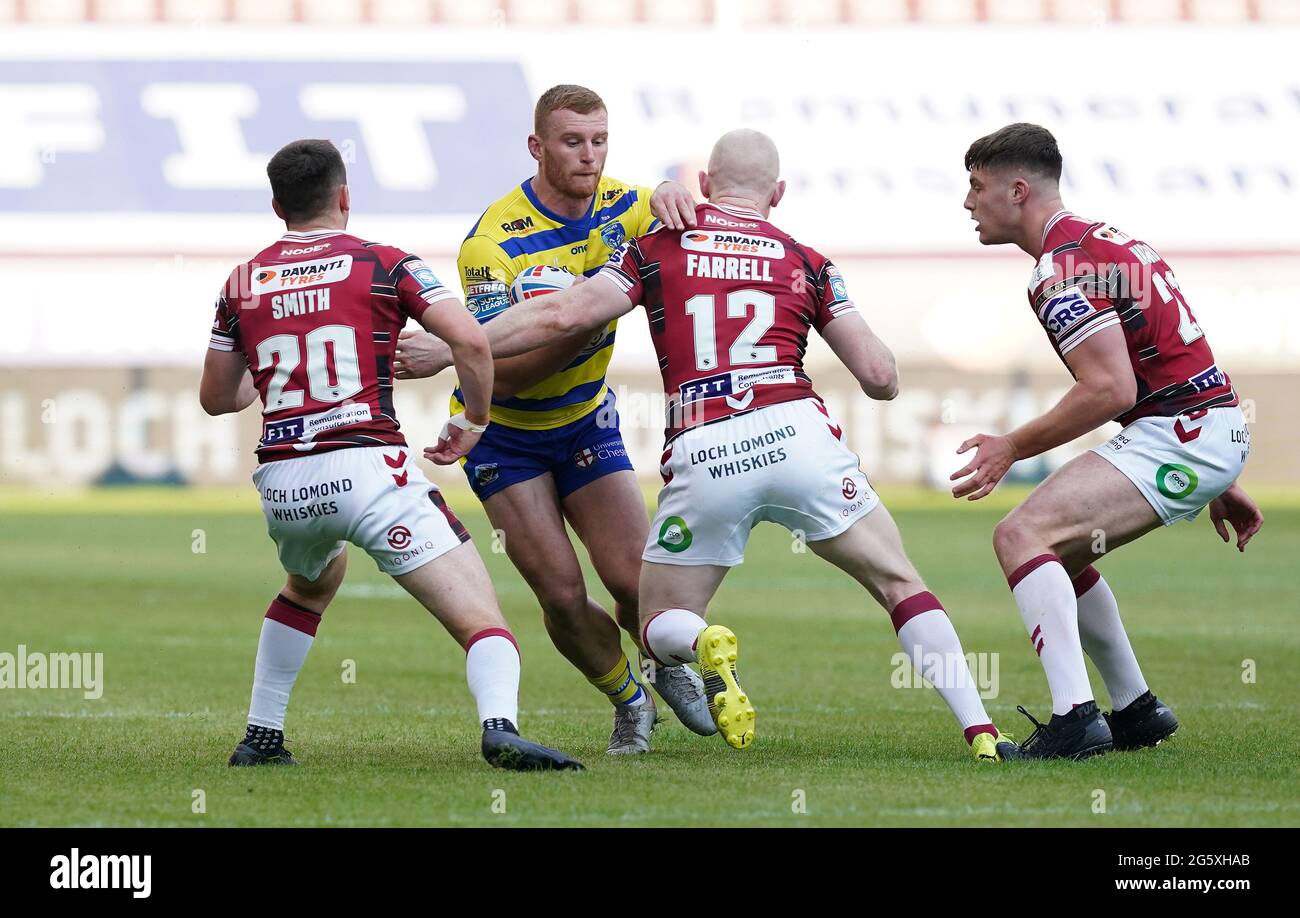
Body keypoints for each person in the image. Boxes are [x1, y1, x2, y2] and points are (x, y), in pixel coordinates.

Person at [457, 129, 1016, 761]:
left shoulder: (655, 248)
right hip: (798, 433)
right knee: (899, 582)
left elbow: (563, 315)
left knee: (656, 621)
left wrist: (459, 344)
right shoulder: (805, 259)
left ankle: (701, 645)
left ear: (703, 186)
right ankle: (981, 731)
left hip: (709, 448)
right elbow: (880, 378)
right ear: (778, 193)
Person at [200, 138, 581, 771]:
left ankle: (262, 737)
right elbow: (472, 344)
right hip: (368, 468)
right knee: (481, 618)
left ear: (276, 206)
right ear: (344, 196)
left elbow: (218, 397)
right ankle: (500, 727)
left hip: (285, 482)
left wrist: (274, 370)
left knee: (310, 583)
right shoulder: (382, 262)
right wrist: (473, 421)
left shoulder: (242, 282)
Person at [393, 85, 714, 755]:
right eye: (573, 142)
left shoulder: (627, 206)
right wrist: (580, 316)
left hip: (584, 422)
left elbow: (671, 211)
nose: (589, 156)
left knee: (634, 580)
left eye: (599, 141)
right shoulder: (491, 242)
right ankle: (629, 700)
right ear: (538, 147)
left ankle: (665, 663)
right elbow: (502, 371)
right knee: (563, 594)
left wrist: (665, 190)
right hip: (503, 434)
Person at [954, 122, 1263, 759]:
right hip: (1206, 425)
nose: (967, 203)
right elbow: (1168, 362)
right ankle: (1136, 711)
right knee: (1057, 553)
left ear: (1017, 190)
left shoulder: (1058, 270)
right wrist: (1223, 473)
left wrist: (1011, 444)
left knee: (1019, 536)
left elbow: (1110, 390)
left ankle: (1075, 722)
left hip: (1183, 433)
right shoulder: (1112, 241)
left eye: (975, 186)